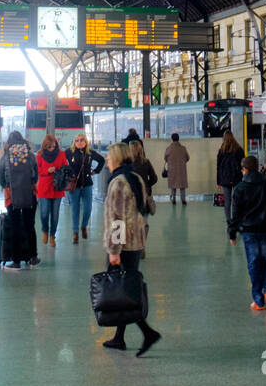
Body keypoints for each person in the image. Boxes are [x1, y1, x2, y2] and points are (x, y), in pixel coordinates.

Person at [101, 144, 161, 355]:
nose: (107, 161)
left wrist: (114, 250)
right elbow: (148, 206)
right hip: (136, 242)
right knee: (126, 290)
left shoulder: (118, 183)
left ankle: (145, 333)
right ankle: (122, 337)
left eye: (109, 158)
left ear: (116, 159)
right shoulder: (135, 177)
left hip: (123, 244)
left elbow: (117, 219)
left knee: (122, 292)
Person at [227, 155, 266, 310]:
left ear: (245, 169)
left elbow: (235, 215)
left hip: (249, 231)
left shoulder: (239, 189)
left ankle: (258, 299)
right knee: (264, 259)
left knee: (253, 262)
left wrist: (232, 233)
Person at [0, 130, 39, 269]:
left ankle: (15, 261)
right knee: (29, 226)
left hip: (12, 196)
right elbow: (35, 176)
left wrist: (7, 187)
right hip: (30, 195)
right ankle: (33, 257)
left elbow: (1, 177)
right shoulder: (30, 155)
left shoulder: (6, 156)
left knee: (15, 226)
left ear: (9, 142)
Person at [65, 132, 105, 243]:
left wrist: (95, 171)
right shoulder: (69, 152)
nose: (79, 142)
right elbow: (60, 161)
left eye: (82, 139)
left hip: (87, 184)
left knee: (88, 208)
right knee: (75, 209)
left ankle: (83, 226)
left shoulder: (90, 153)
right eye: (77, 140)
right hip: (74, 185)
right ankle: (75, 233)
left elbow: (102, 160)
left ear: (86, 141)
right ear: (74, 142)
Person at [36, 134, 69, 248]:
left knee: (55, 215)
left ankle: (52, 236)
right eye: (49, 147)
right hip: (44, 188)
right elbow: (37, 170)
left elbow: (66, 167)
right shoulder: (39, 155)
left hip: (57, 188)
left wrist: (62, 170)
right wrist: (47, 170)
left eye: (54, 146)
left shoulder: (61, 154)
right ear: (45, 146)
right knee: (44, 213)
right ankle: (45, 230)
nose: (52, 149)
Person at [216, 131, 244, 226]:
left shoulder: (221, 150)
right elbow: (243, 164)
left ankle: (229, 221)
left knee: (227, 201)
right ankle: (236, 220)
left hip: (225, 179)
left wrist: (218, 181)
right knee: (236, 200)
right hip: (237, 178)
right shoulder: (239, 149)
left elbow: (218, 167)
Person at [163, 132, 190, 205]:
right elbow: (188, 158)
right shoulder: (183, 148)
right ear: (178, 139)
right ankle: (183, 199)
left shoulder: (168, 149)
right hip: (181, 170)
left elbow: (165, 158)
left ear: (172, 139)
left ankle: (173, 198)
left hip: (172, 170)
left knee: (173, 185)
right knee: (182, 186)